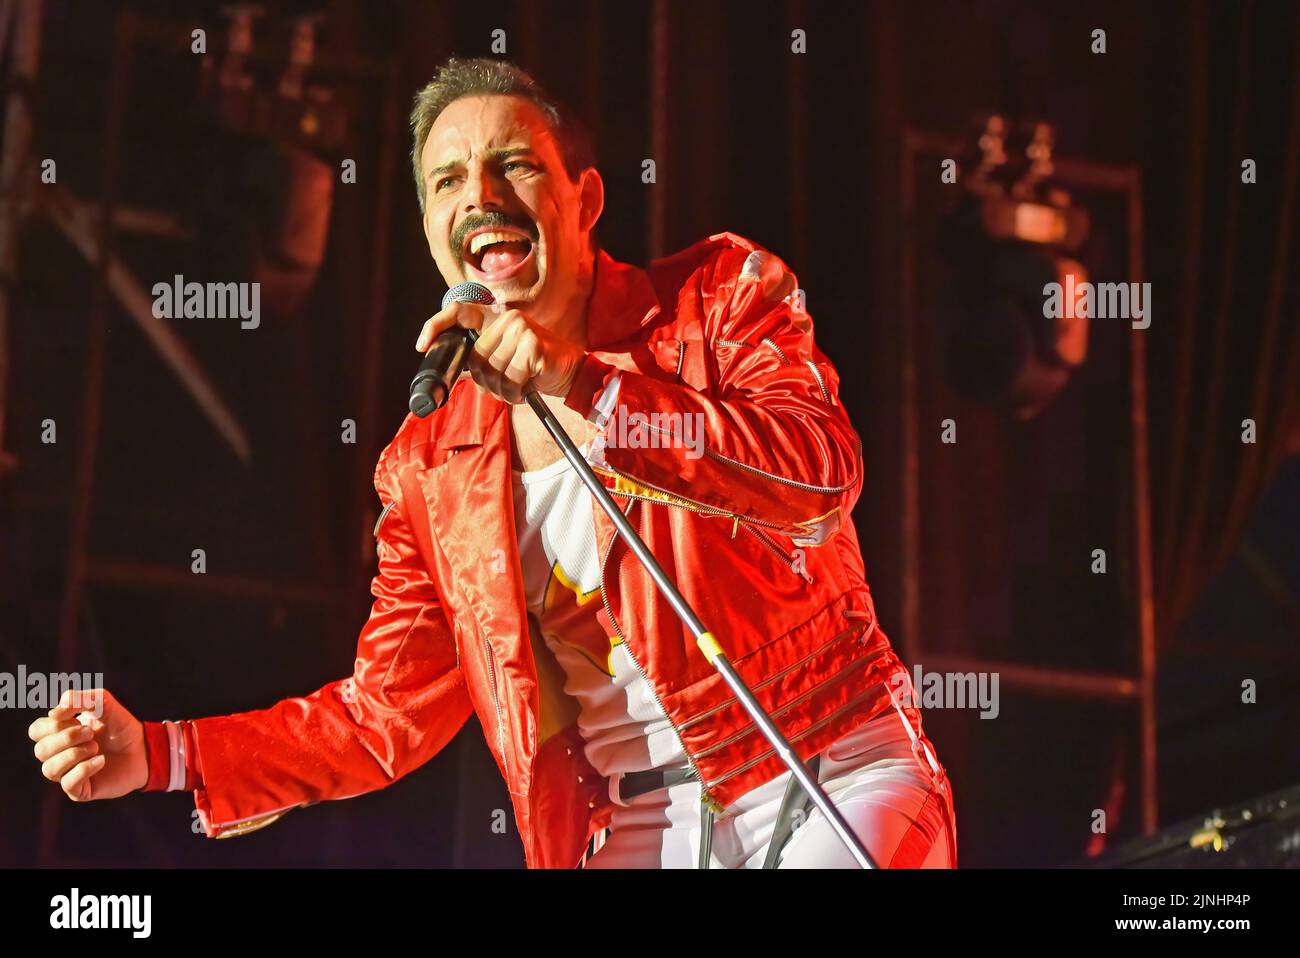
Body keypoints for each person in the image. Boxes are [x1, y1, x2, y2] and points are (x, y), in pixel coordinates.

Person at [29, 57, 956, 869]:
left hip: (826, 761)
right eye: (447, 181)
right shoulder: (429, 464)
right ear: (432, 227)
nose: (479, 195)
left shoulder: (716, 298)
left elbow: (817, 477)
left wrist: (587, 389)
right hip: (640, 819)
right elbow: (383, 714)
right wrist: (160, 754)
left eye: (513, 164)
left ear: (584, 201)